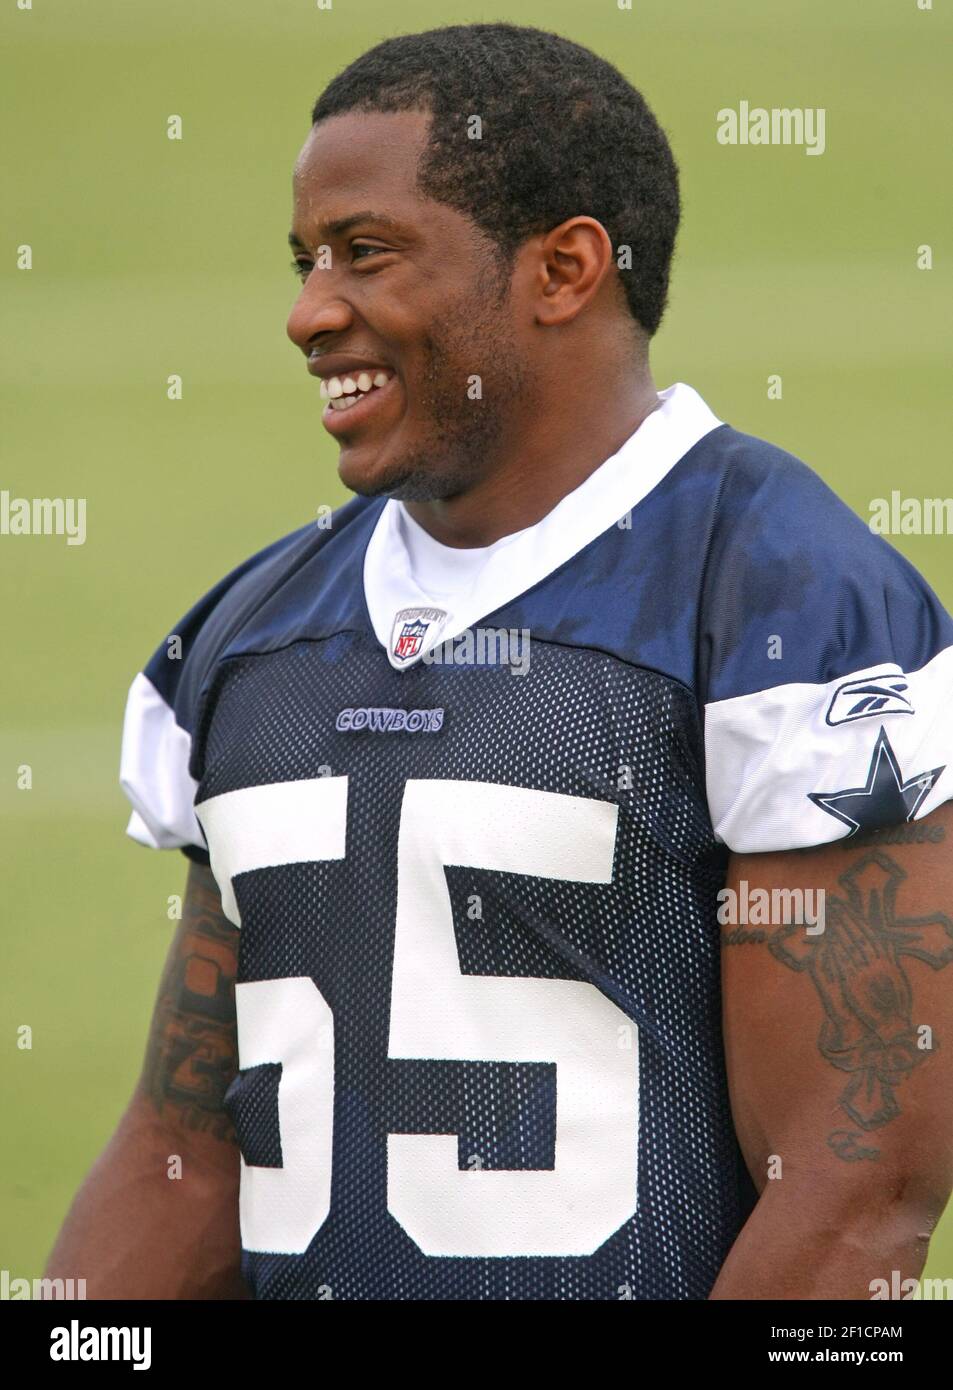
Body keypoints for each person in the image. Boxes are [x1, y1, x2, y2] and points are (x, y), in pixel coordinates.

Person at [47, 22, 953, 1301]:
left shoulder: (784, 608)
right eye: (306, 262)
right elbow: (186, 1143)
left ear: (565, 267)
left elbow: (857, 1197)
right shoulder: (252, 635)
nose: (309, 312)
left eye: (364, 254)